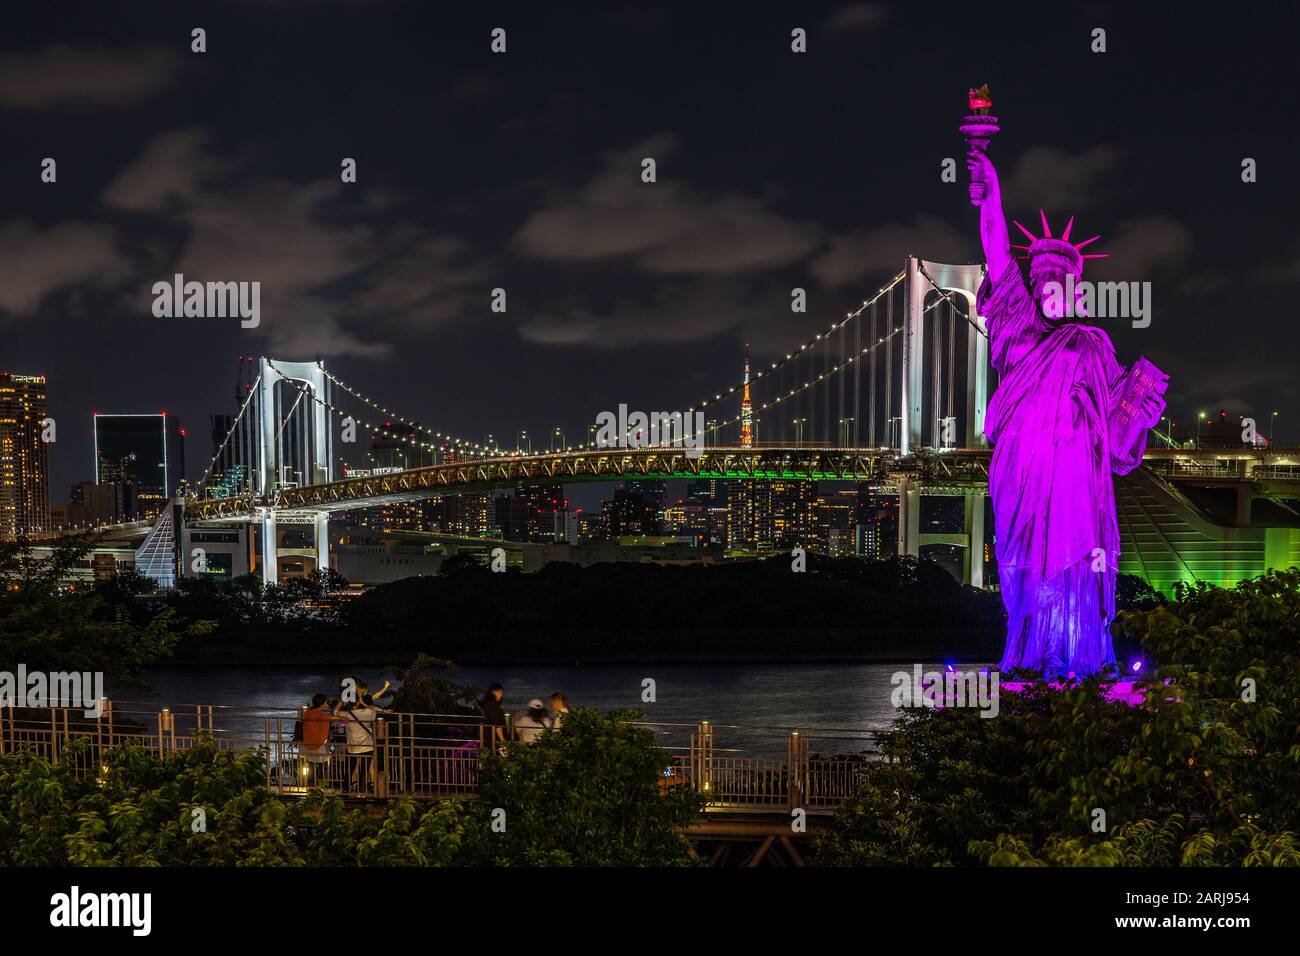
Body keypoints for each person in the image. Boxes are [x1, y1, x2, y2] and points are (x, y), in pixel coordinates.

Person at [965, 140, 1166, 677]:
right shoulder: (1016, 327)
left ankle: (1077, 659)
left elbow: (1117, 437)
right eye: (1040, 278)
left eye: (1060, 279)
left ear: (1075, 287)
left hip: (1077, 473)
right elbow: (996, 250)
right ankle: (1028, 653)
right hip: (1024, 470)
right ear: (1029, 285)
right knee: (1026, 565)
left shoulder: (1093, 344)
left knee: (1077, 563)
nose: (1048, 284)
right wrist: (992, 195)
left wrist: (1138, 411)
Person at [334, 693, 381, 794]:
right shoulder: (368, 712)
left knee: (349, 769)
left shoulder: (347, 714)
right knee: (364, 770)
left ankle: (346, 789)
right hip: (367, 746)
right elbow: (374, 712)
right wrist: (365, 704)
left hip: (352, 747)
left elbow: (335, 712)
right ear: (360, 701)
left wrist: (341, 702)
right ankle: (362, 792)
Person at [300, 693, 335, 786]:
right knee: (323, 764)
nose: (327, 704)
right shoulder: (321, 715)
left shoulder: (308, 712)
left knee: (311, 765)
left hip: (307, 744)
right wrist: (343, 718)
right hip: (317, 745)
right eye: (326, 702)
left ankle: (310, 785)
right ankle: (321, 785)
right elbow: (331, 718)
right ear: (322, 703)